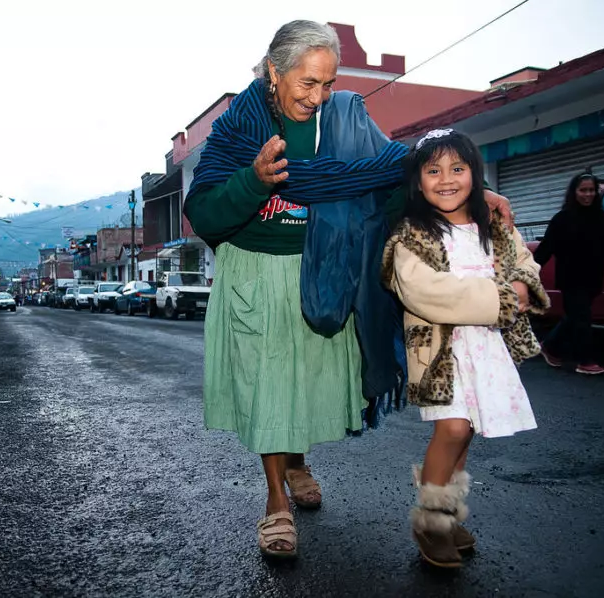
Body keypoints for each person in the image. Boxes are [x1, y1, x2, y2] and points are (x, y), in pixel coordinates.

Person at [184, 20, 515, 560]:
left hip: (328, 272)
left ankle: (295, 462)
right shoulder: (238, 128)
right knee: (271, 387)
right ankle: (275, 501)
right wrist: (255, 181)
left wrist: (477, 194)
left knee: (303, 387)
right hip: (258, 273)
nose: (318, 97)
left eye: (327, 83)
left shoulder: (345, 116)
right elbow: (202, 213)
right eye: (307, 83)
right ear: (274, 70)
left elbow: (405, 171)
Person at [381, 129, 549, 568]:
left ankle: (449, 513)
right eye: (433, 170)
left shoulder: (492, 226)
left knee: (468, 430)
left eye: (458, 168)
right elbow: (425, 292)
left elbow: (524, 262)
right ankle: (430, 523)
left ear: (476, 175)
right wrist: (503, 297)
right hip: (440, 351)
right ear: (417, 182)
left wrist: (522, 281)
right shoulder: (411, 235)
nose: (446, 179)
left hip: (486, 350)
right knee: (452, 429)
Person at [533, 173, 604, 375]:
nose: (587, 194)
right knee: (582, 318)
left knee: (574, 317)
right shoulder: (562, 219)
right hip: (571, 278)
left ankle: (550, 347)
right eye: (583, 190)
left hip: (593, 278)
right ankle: (585, 361)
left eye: (591, 190)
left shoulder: (600, 217)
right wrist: (528, 272)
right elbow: (546, 248)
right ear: (574, 192)